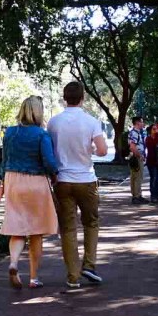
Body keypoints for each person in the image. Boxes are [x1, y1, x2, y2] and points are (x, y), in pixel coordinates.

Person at [47, 82, 108, 288]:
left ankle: (73, 276)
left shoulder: (53, 122)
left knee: (68, 228)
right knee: (91, 223)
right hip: (86, 179)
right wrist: (89, 148)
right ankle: (89, 265)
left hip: (62, 180)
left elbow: (49, 150)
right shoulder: (91, 121)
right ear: (83, 98)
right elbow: (102, 151)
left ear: (65, 98)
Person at [0, 96, 59, 290]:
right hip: (36, 182)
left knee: (17, 228)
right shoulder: (41, 134)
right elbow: (48, 161)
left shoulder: (10, 133)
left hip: (12, 181)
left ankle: (14, 263)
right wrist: (54, 174)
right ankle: (33, 277)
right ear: (39, 112)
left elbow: (4, 161)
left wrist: (1, 184)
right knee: (36, 231)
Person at [128, 116, 147, 204]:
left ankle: (136, 195)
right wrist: (140, 156)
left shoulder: (135, 132)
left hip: (134, 156)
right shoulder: (135, 133)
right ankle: (137, 196)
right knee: (138, 177)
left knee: (134, 176)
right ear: (137, 123)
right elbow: (132, 146)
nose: (143, 124)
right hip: (136, 157)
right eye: (142, 122)